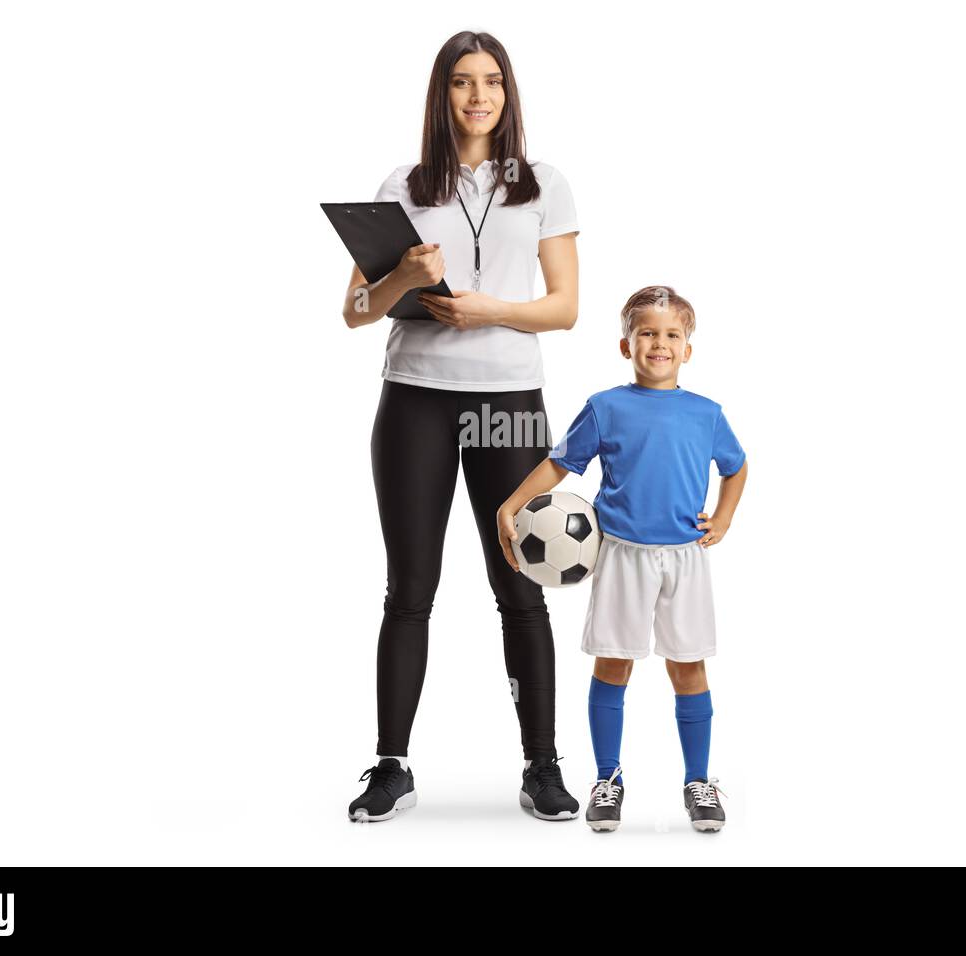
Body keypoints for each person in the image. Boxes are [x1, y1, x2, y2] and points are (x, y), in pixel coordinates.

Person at [340, 31, 582, 822]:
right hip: (414, 399)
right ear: (440, 95)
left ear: (508, 94)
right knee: (409, 590)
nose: (478, 97)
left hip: (506, 403)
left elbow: (566, 307)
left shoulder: (542, 184)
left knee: (520, 586)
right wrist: (404, 274)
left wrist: (490, 311)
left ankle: (542, 766)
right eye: (460, 83)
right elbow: (353, 311)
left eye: (491, 83)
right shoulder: (402, 184)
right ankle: (390, 765)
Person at [497, 285, 749, 832]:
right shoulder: (605, 407)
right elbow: (560, 464)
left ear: (688, 349)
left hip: (684, 559)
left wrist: (724, 516)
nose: (659, 343)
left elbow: (736, 466)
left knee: (689, 668)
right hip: (622, 556)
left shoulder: (707, 414)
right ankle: (607, 779)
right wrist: (514, 502)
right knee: (613, 664)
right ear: (625, 344)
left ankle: (698, 782)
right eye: (647, 333)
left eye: (671, 335)